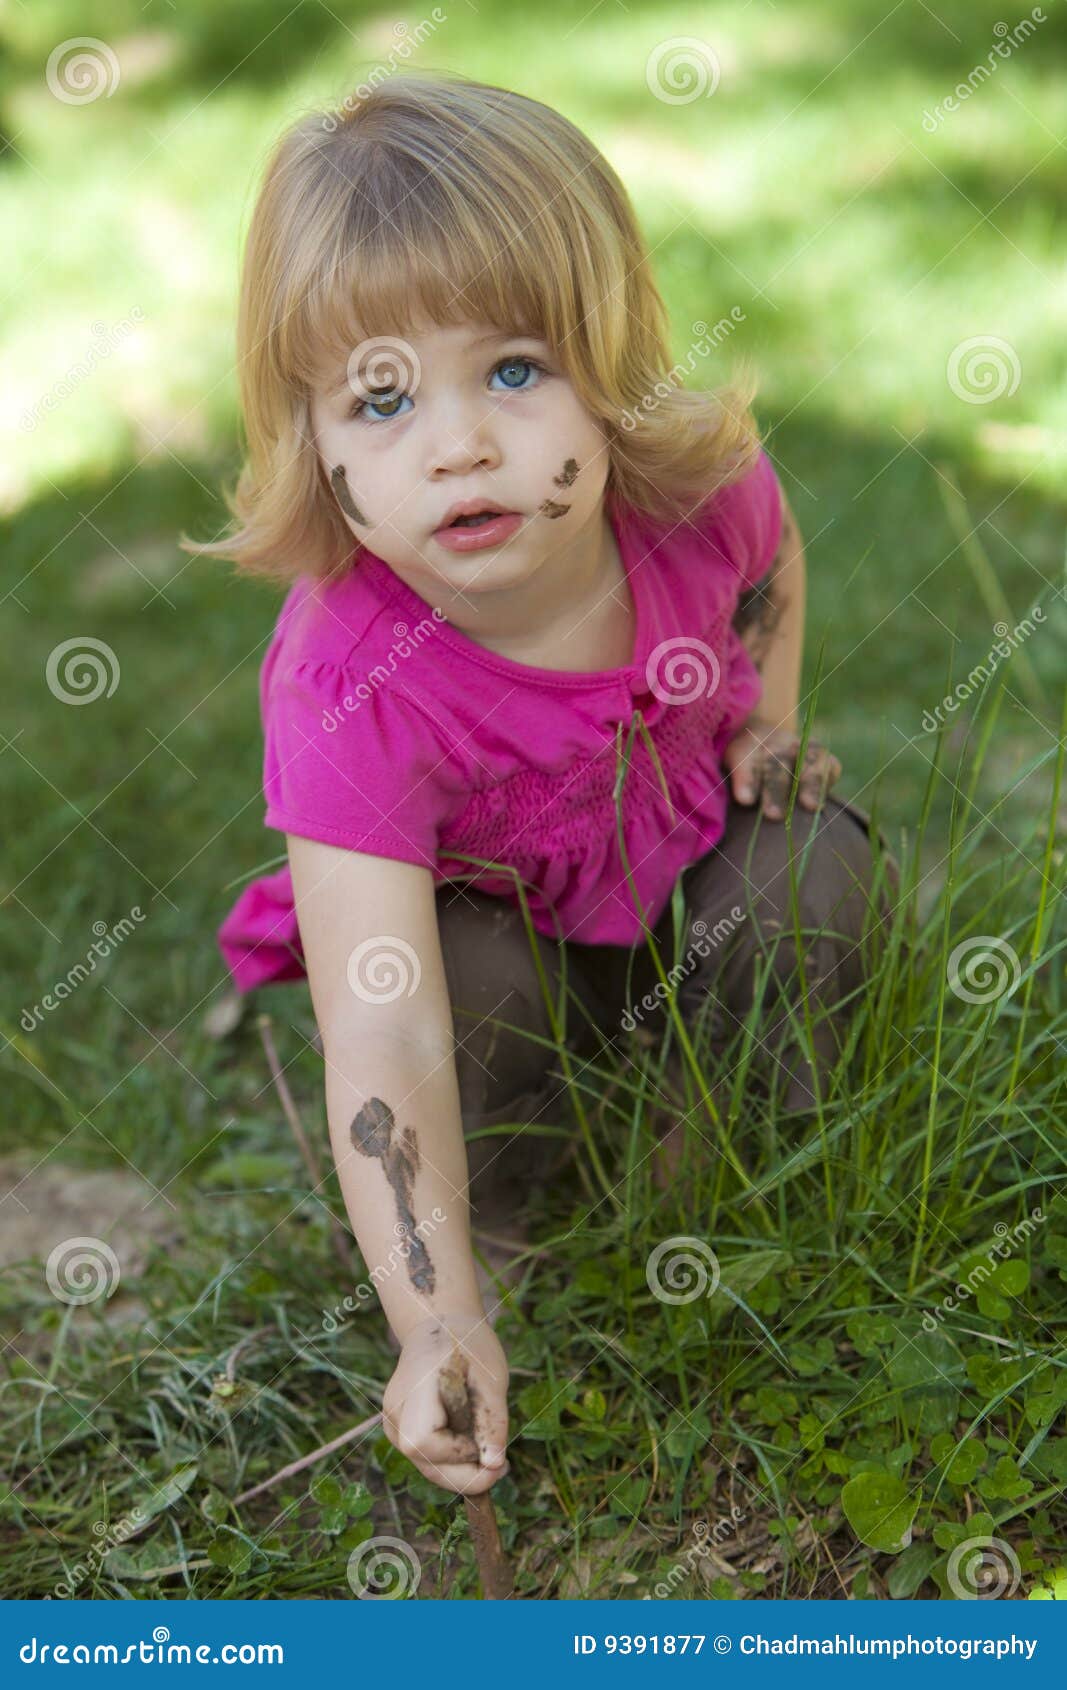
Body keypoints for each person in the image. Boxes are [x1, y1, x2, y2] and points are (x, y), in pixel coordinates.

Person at [181, 71, 898, 1499]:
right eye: (380, 399)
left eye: (513, 370)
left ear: (611, 361)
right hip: (486, 962)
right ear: (313, 441)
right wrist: (434, 1314)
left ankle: (729, 1169)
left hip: (660, 880)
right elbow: (382, 1027)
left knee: (810, 864)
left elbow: (771, 563)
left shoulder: (695, 498)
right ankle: (492, 1229)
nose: (456, 442)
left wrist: (770, 718)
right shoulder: (349, 675)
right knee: (472, 978)